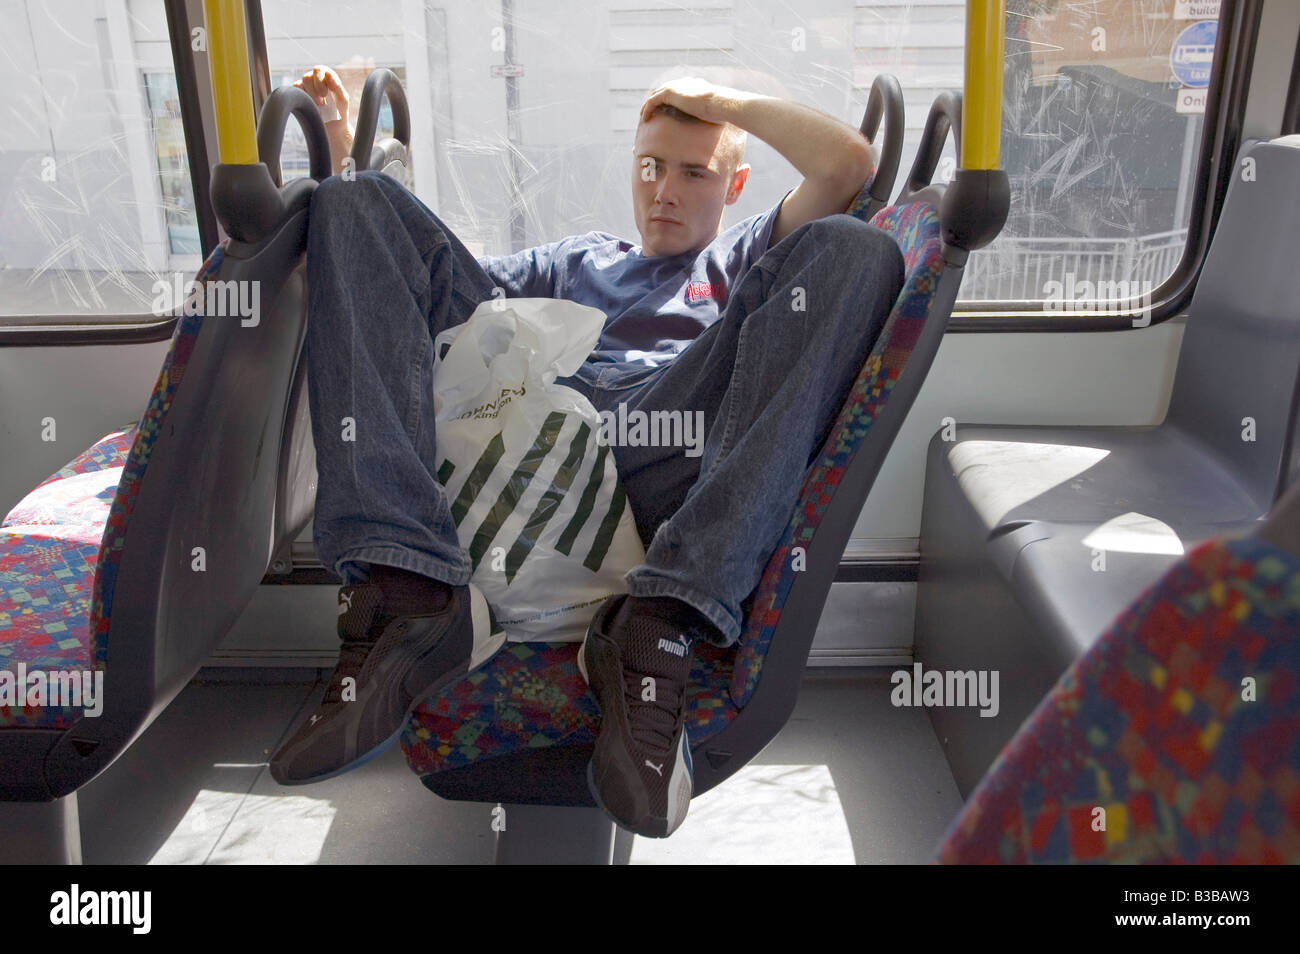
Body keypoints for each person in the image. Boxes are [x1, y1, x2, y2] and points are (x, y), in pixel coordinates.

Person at [269, 65, 905, 838]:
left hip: (665, 429)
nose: (664, 191)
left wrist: (716, 101)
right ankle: (408, 589)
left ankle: (659, 620)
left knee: (854, 251)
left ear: (733, 186)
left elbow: (848, 167)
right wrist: (343, 162)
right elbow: (416, 282)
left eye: (693, 172)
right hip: (539, 430)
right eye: (650, 166)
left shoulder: (743, 257)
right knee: (355, 203)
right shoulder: (580, 261)